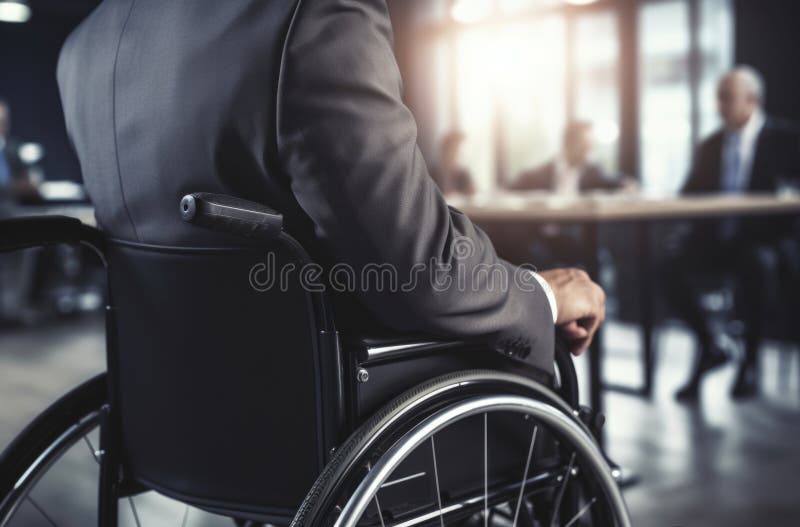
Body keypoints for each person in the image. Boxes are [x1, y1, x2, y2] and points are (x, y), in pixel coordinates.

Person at [56, 0, 605, 375]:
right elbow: (423, 273)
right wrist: (544, 295)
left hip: (171, 403)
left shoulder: (84, 46)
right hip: (320, 407)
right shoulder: (310, 13)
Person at [665, 66, 800, 400]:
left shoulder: (787, 141)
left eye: (727, 98)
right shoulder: (710, 145)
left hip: (765, 241)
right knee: (667, 266)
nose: (719, 106)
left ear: (752, 100)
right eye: (719, 98)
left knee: (756, 264)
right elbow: (688, 195)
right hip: (715, 242)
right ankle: (711, 344)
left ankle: (749, 364)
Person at [508, 121, 634, 194]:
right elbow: (516, 185)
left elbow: (610, 181)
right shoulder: (543, 172)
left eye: (589, 145)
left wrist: (624, 184)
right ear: (568, 143)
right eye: (584, 145)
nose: (588, 150)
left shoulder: (592, 172)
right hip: (544, 230)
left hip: (579, 232)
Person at [430, 130, 475, 196]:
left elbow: (471, 191)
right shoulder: (433, 173)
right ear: (444, 150)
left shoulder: (463, 174)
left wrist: (470, 191)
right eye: (453, 149)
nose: (457, 152)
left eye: (457, 149)